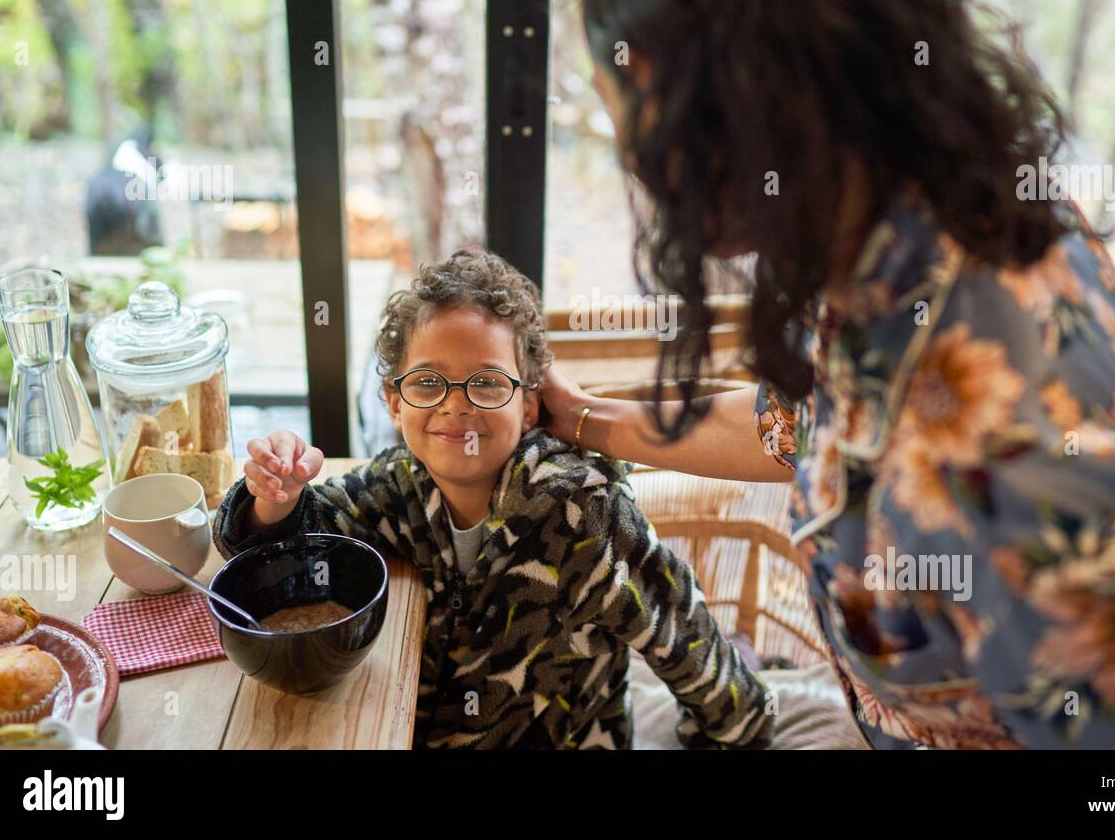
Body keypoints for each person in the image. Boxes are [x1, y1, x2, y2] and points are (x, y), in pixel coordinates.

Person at [540, 0, 1115, 749]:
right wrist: (583, 417)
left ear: (731, 114)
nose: (620, 141)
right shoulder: (907, 216)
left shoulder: (1005, 456)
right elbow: (809, 433)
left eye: (618, 97)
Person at [213, 249, 774, 749]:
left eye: (485, 382)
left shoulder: (581, 509)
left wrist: (733, 730)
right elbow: (289, 540)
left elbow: (678, 625)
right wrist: (275, 496)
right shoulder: (396, 484)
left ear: (530, 404)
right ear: (394, 404)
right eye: (428, 383)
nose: (456, 406)